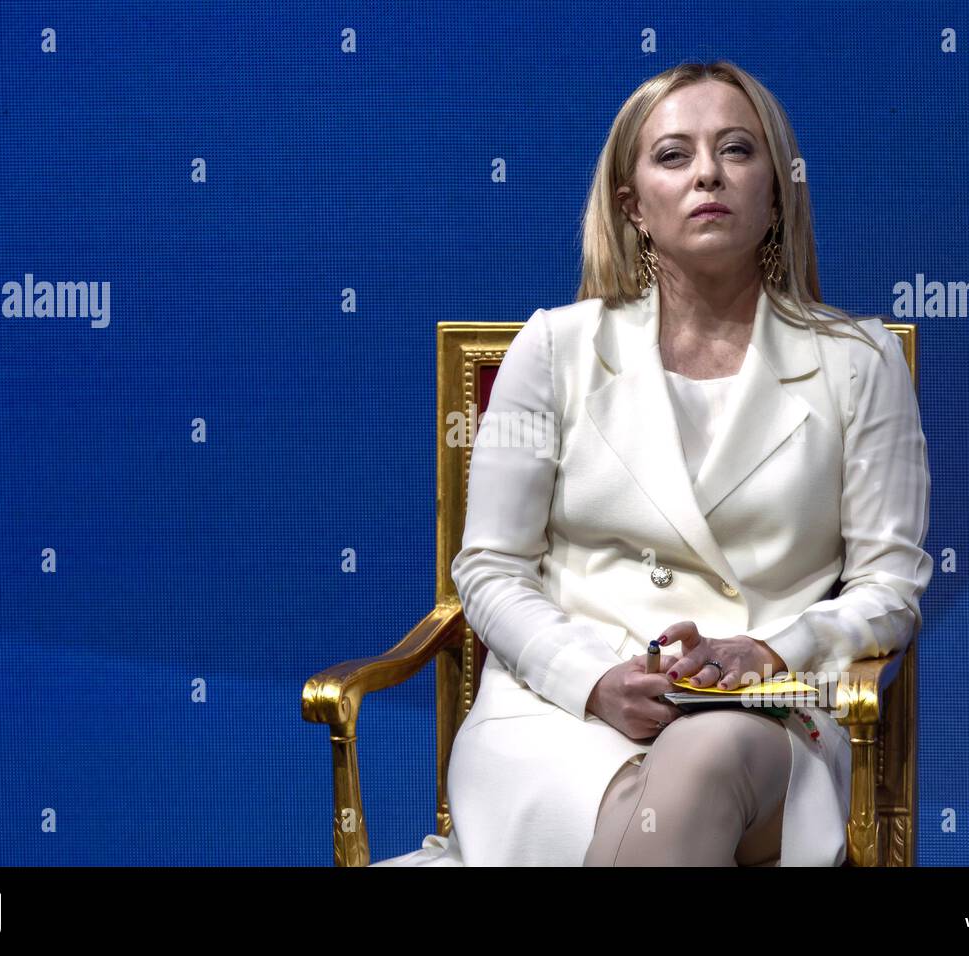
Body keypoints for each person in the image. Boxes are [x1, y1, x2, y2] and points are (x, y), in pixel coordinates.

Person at [375, 60, 932, 867]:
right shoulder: (556, 347)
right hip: (559, 716)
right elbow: (490, 569)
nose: (708, 172)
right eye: (674, 155)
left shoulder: (857, 362)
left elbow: (891, 587)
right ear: (631, 204)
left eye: (737, 150)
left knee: (698, 763)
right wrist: (594, 679)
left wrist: (773, 652)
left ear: (776, 191)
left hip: (764, 722)